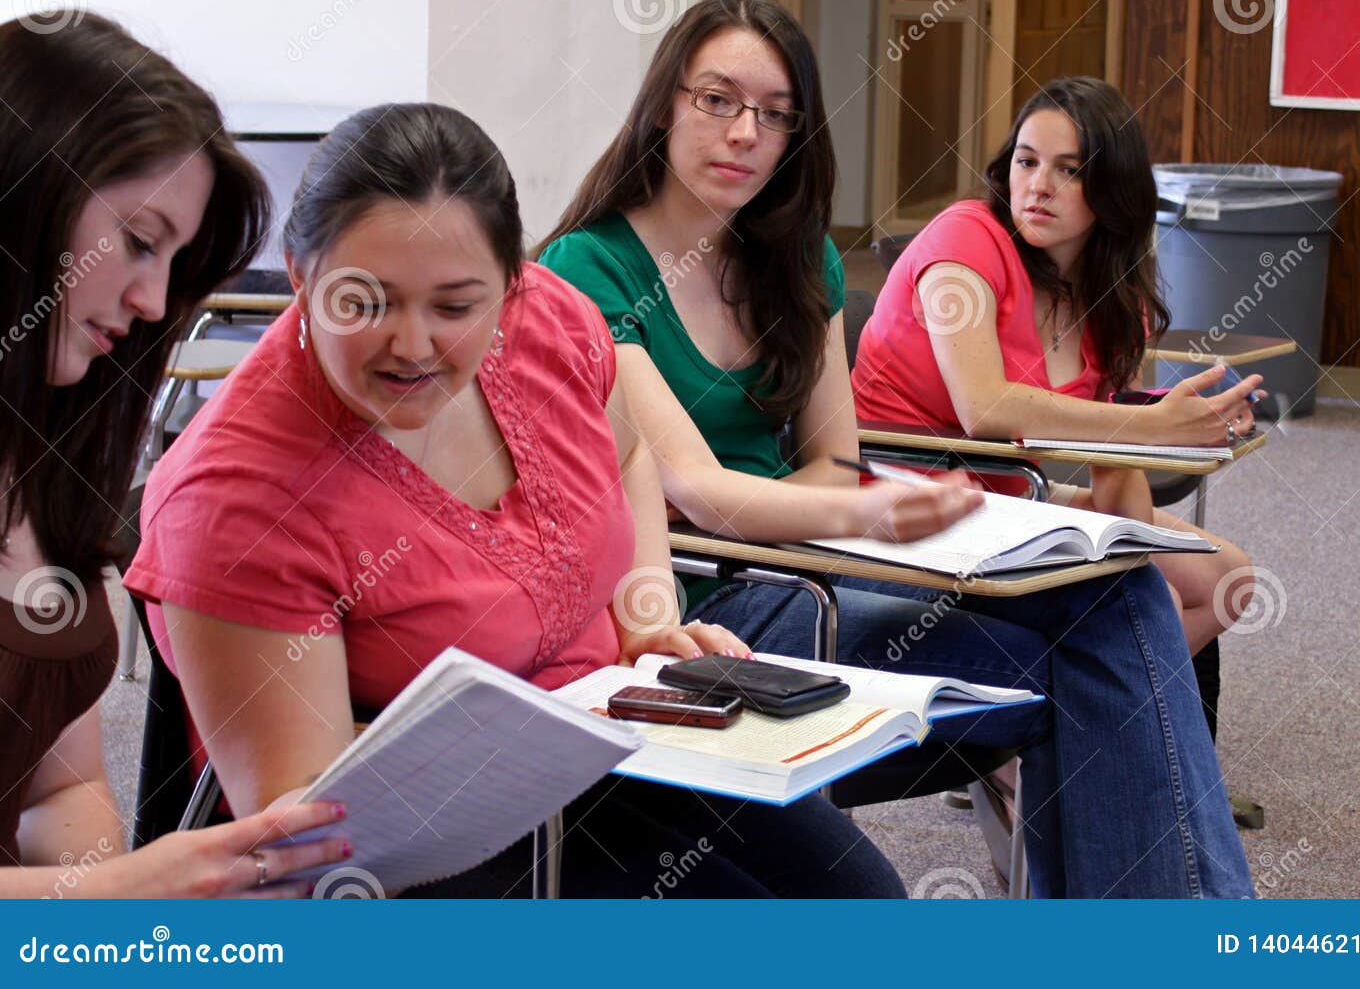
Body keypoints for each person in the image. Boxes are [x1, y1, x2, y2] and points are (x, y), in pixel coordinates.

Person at [539, 0, 1253, 898]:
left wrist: (836, 510)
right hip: (714, 595)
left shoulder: (799, 262)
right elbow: (700, 491)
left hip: (817, 553)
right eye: (717, 100)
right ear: (664, 103)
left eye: (774, 114)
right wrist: (861, 510)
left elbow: (834, 458)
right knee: (1094, 676)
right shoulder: (589, 266)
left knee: (1121, 598)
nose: (745, 132)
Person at [124, 101, 905, 899]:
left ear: (511, 284)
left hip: (606, 739)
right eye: (364, 303)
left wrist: (643, 618)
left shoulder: (549, 322)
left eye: (457, 306)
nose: (414, 344)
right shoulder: (237, 496)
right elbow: (308, 818)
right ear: (298, 272)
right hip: (424, 842)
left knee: (867, 900)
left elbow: (629, 453)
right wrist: (531, 748)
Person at [0, 12, 350, 898]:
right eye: (140, 240)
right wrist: (118, 897)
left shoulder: (45, 468)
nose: (155, 300)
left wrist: (108, 907)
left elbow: (60, 788)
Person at [850, 76, 1261, 654]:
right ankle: (1078, 717)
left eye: (1069, 170)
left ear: (1112, 188)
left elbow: (1117, 476)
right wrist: (1155, 427)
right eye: (1026, 161)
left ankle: (1075, 721)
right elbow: (985, 408)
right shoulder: (964, 239)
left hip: (1006, 495)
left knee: (1228, 580)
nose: (1038, 186)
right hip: (900, 494)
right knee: (1147, 612)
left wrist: (1181, 433)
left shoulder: (1115, 302)